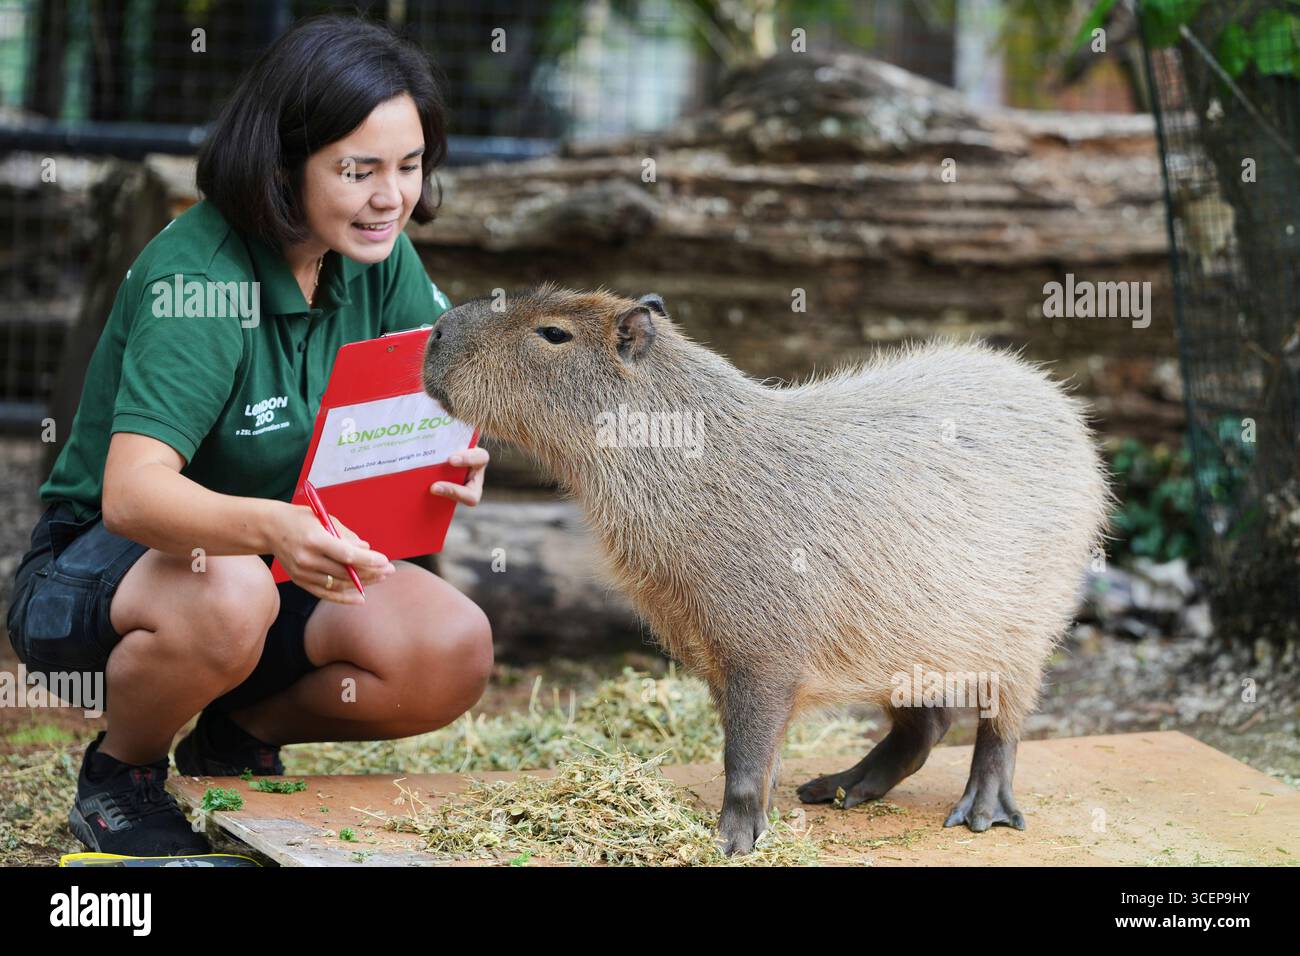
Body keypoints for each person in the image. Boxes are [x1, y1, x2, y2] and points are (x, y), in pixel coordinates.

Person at [4, 14, 493, 858]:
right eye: (358, 170)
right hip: (100, 574)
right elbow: (131, 493)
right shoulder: (200, 278)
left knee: (451, 648)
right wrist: (273, 529)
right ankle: (123, 774)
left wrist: (452, 458)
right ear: (282, 163)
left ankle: (233, 733)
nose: (392, 196)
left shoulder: (376, 252)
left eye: (409, 166)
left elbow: (436, 396)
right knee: (232, 593)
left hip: (278, 560)